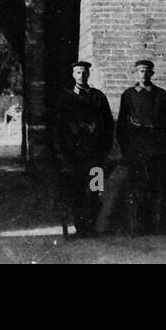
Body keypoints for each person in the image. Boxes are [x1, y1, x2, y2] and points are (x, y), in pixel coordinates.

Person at [51, 60, 115, 239]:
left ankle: (92, 227)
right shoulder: (65, 98)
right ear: (73, 75)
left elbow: (108, 126)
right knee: (76, 193)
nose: (82, 76)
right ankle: (80, 228)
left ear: (89, 74)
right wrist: (61, 155)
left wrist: (104, 151)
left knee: (96, 192)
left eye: (85, 72)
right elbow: (57, 128)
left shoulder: (98, 98)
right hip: (73, 157)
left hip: (95, 156)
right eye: (78, 72)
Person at [116, 59, 166, 236]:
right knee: (137, 187)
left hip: (156, 147)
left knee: (156, 186)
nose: (144, 74)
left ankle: (156, 225)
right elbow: (122, 124)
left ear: (152, 74)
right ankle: (137, 226)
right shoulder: (129, 95)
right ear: (136, 73)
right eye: (141, 71)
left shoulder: (160, 94)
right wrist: (125, 147)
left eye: (147, 71)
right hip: (136, 147)